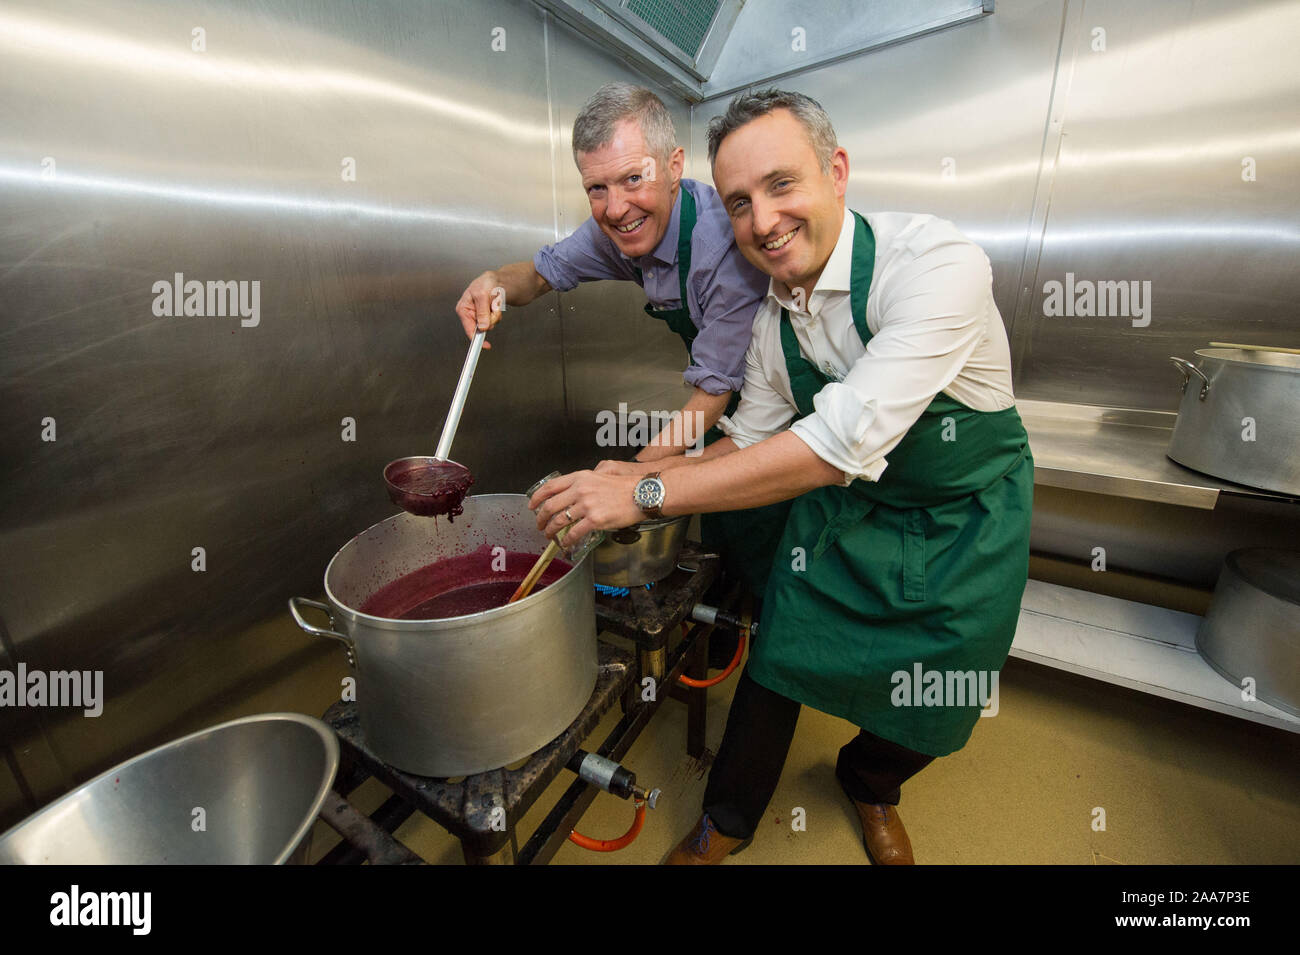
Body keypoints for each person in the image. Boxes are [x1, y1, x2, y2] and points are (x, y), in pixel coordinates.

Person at [530, 89, 1034, 865]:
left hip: (964, 518)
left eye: (781, 185)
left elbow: (834, 443)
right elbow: (750, 436)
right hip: (849, 510)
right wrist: (641, 469)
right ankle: (725, 821)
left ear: (836, 171)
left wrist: (644, 492)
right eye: (738, 202)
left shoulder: (935, 266)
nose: (762, 221)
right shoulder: (771, 321)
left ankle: (870, 780)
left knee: (946, 695)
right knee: (782, 651)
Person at [456, 81, 780, 598]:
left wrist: (627, 482)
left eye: (634, 178)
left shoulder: (722, 249)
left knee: (766, 545)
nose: (614, 208)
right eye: (597, 188)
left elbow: (712, 394)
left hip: (777, 408)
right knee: (720, 539)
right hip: (725, 411)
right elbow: (539, 274)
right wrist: (494, 280)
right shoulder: (618, 228)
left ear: (674, 166)